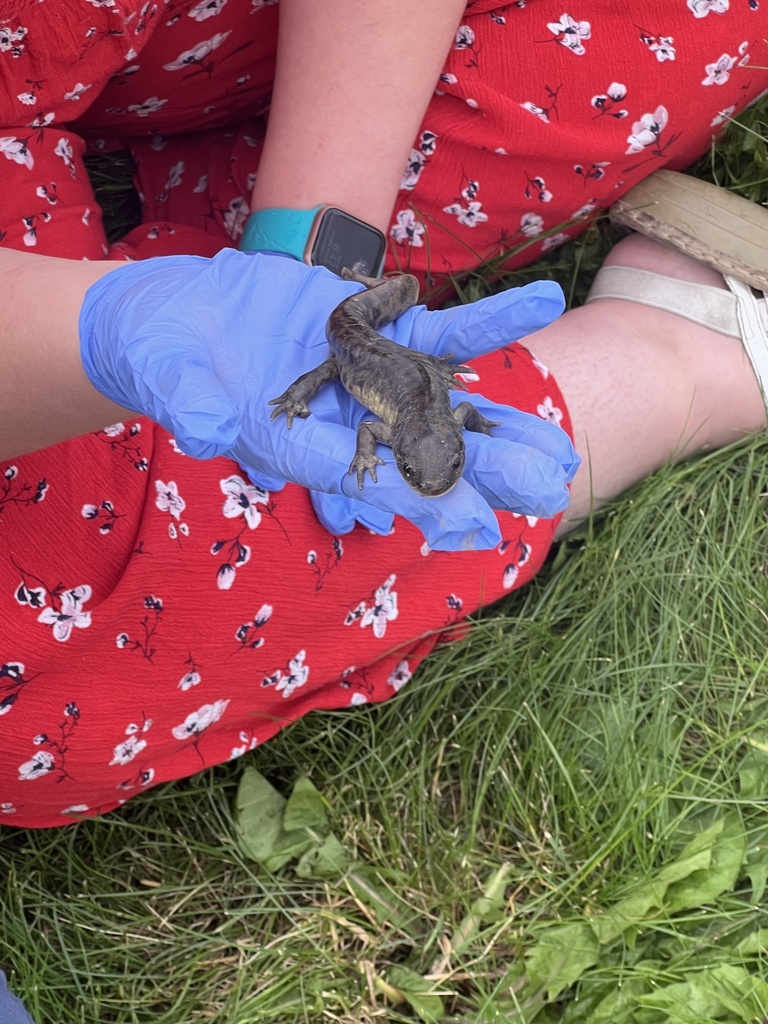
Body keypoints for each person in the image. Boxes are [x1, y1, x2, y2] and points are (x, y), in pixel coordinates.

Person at [0, 0, 767, 834]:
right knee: (47, 698)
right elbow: (368, 409)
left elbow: (385, 402)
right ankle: (648, 367)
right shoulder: (400, 424)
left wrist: (313, 245)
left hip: (146, 45)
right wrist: (106, 330)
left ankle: (224, 226)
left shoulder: (411, 421)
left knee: (691, 31)